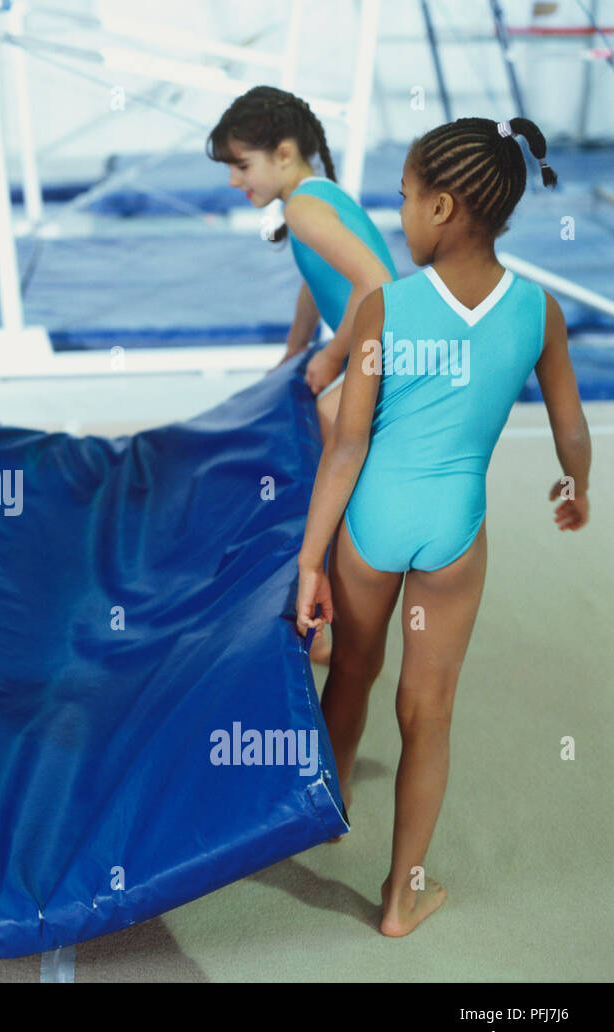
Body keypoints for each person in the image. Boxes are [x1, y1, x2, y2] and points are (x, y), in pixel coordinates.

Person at [294, 118, 590, 936]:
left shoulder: (385, 308)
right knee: (429, 716)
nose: (399, 218)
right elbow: (570, 429)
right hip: (454, 532)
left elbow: (347, 445)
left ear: (445, 206)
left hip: (372, 525)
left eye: (405, 201)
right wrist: (578, 485)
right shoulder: (539, 312)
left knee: (350, 672)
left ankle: (328, 800)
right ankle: (400, 899)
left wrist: (312, 560)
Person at [208, 86, 398, 664]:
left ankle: (330, 600)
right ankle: (328, 581)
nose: (236, 180)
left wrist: (333, 355)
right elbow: (315, 279)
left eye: (243, 165)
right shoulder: (313, 201)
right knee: (312, 429)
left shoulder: (303, 207)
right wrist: (296, 348)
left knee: (321, 435)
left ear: (284, 155)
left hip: (386, 351)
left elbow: (376, 284)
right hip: (382, 345)